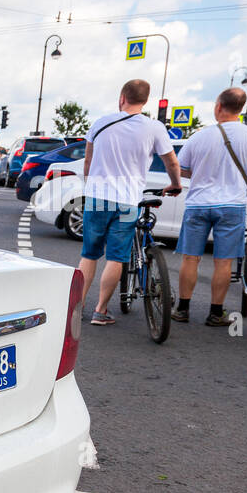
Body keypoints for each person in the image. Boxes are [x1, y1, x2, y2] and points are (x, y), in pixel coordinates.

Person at [172, 87, 247, 325]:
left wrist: (201, 175)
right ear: (241, 109)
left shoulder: (198, 136)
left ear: (218, 107)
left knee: (190, 259)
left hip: (198, 205)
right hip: (231, 206)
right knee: (223, 261)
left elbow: (180, 169)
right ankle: (216, 313)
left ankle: (182, 310)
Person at [77, 79, 182, 326]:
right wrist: (175, 183)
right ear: (145, 101)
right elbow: (172, 163)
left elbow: (87, 163)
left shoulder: (100, 123)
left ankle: (77, 307)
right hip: (126, 201)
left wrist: (92, 187)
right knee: (116, 257)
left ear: (122, 97)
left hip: (98, 197)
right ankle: (100, 311)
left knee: (89, 254)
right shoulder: (154, 128)